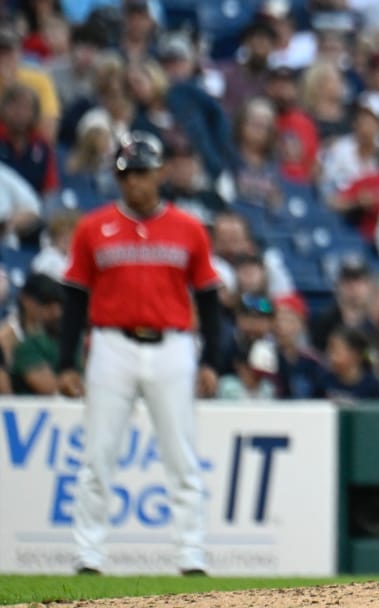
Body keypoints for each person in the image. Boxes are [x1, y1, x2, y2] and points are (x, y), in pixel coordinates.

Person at [55, 132, 223, 576]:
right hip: (111, 344)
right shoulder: (93, 227)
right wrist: (64, 363)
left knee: (181, 456)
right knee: (97, 456)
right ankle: (88, 554)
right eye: (127, 175)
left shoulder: (189, 228)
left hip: (172, 346)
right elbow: (74, 299)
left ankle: (191, 554)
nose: (136, 184)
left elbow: (208, 298)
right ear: (117, 177)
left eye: (144, 173)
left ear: (161, 173)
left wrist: (212, 362)